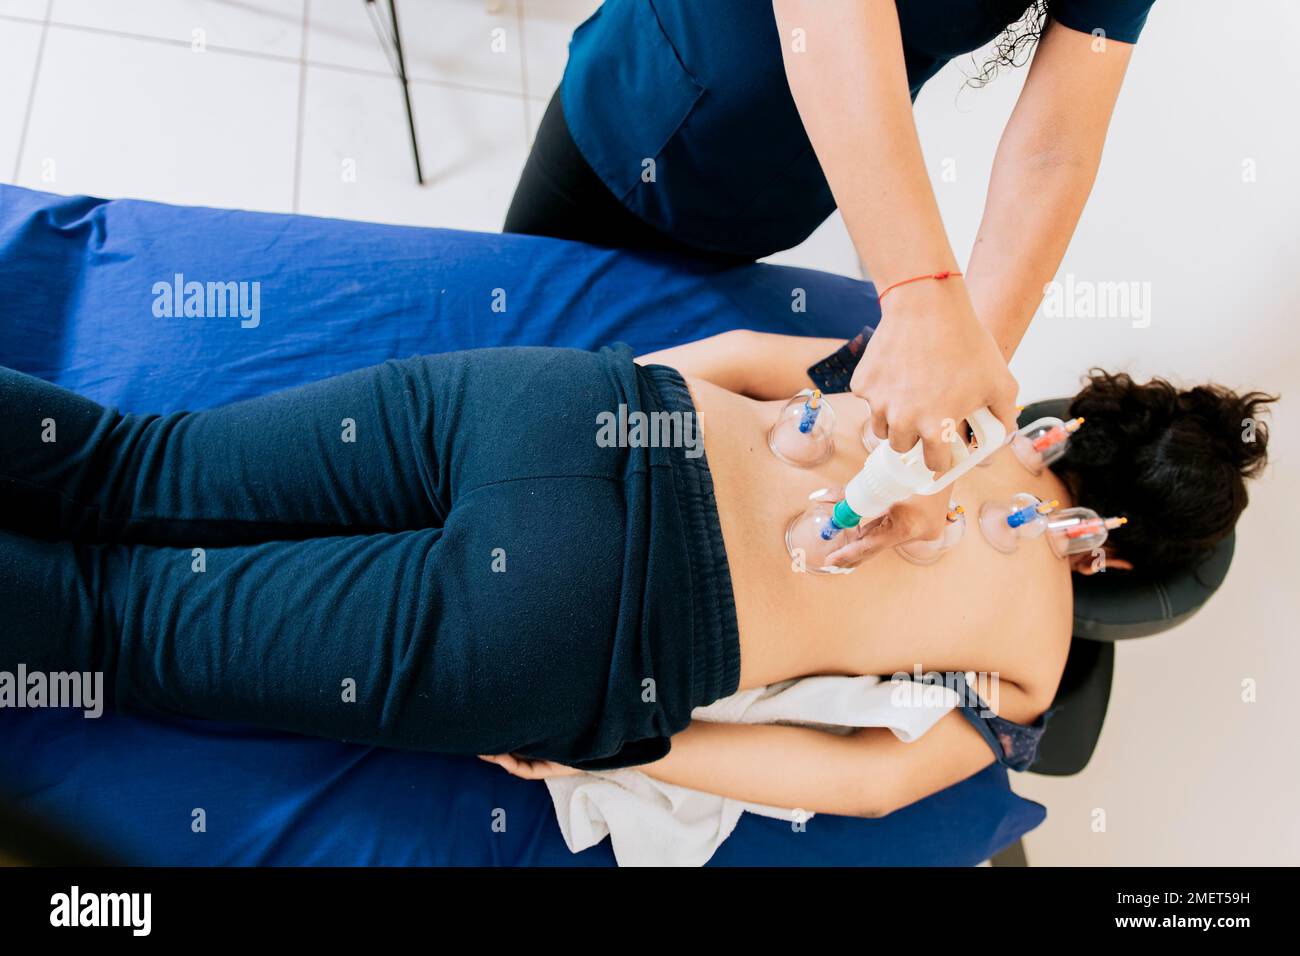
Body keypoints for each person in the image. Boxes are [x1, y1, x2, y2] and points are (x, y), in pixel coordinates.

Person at [0, 332, 1270, 815]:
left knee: (129, 462)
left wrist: (581, 418)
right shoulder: (1037, 662)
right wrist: (619, 750)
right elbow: (867, 785)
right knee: (120, 619)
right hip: (583, 618)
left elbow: (743, 351)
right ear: (1124, 559)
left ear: (1082, 415)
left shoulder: (954, 374)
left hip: (567, 411)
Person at [505, 0, 1157, 562]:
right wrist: (922, 296)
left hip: (778, 183)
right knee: (519, 356)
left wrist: (951, 423)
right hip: (638, 115)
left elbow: (1055, 150)